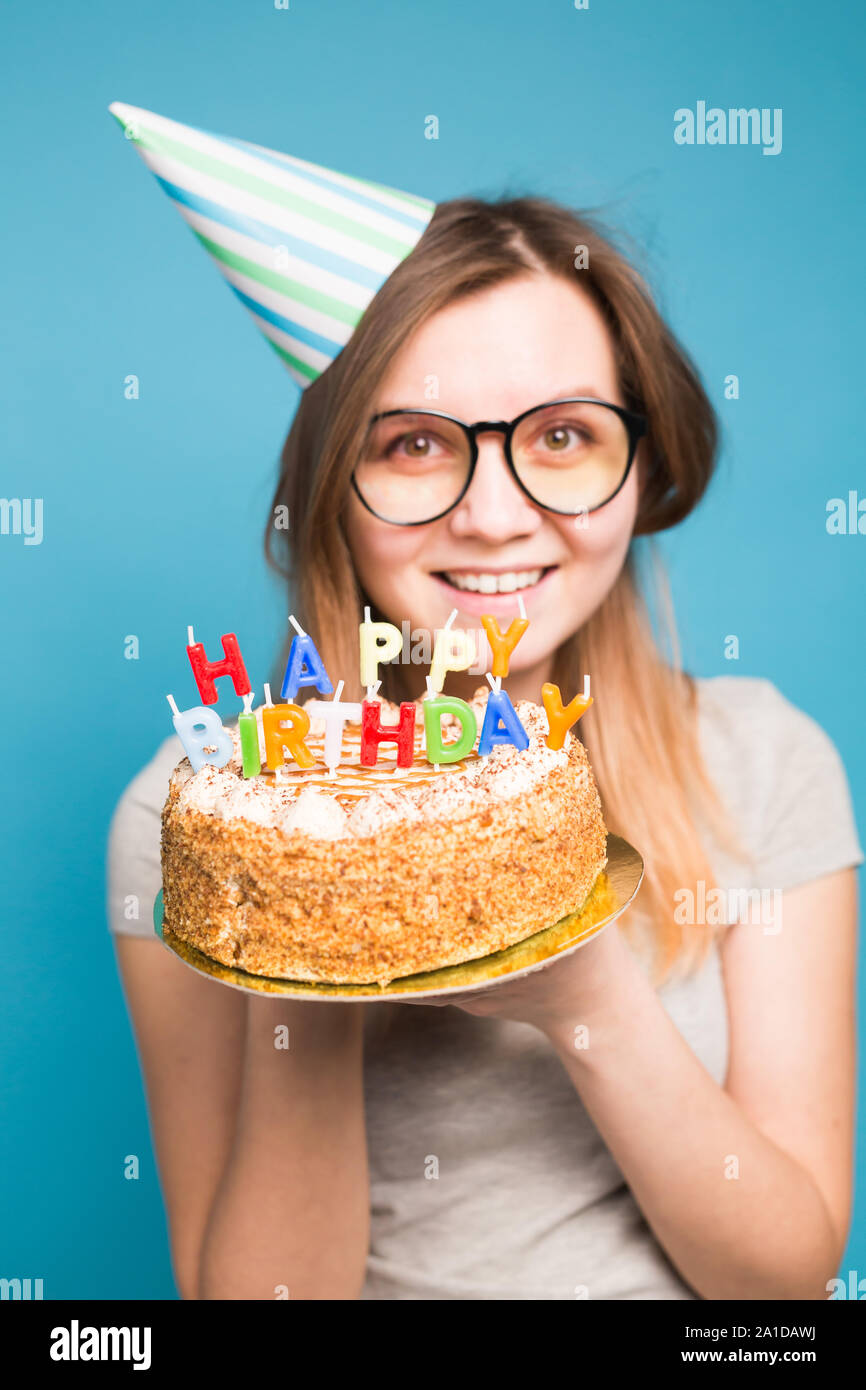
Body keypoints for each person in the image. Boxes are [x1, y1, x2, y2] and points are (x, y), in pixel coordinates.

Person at [108, 196, 862, 1301]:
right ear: (331, 496)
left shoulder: (761, 762)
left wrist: (587, 999)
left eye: (561, 436)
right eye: (413, 443)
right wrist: (303, 940)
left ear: (641, 469)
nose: (496, 514)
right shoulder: (195, 812)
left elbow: (781, 1287)